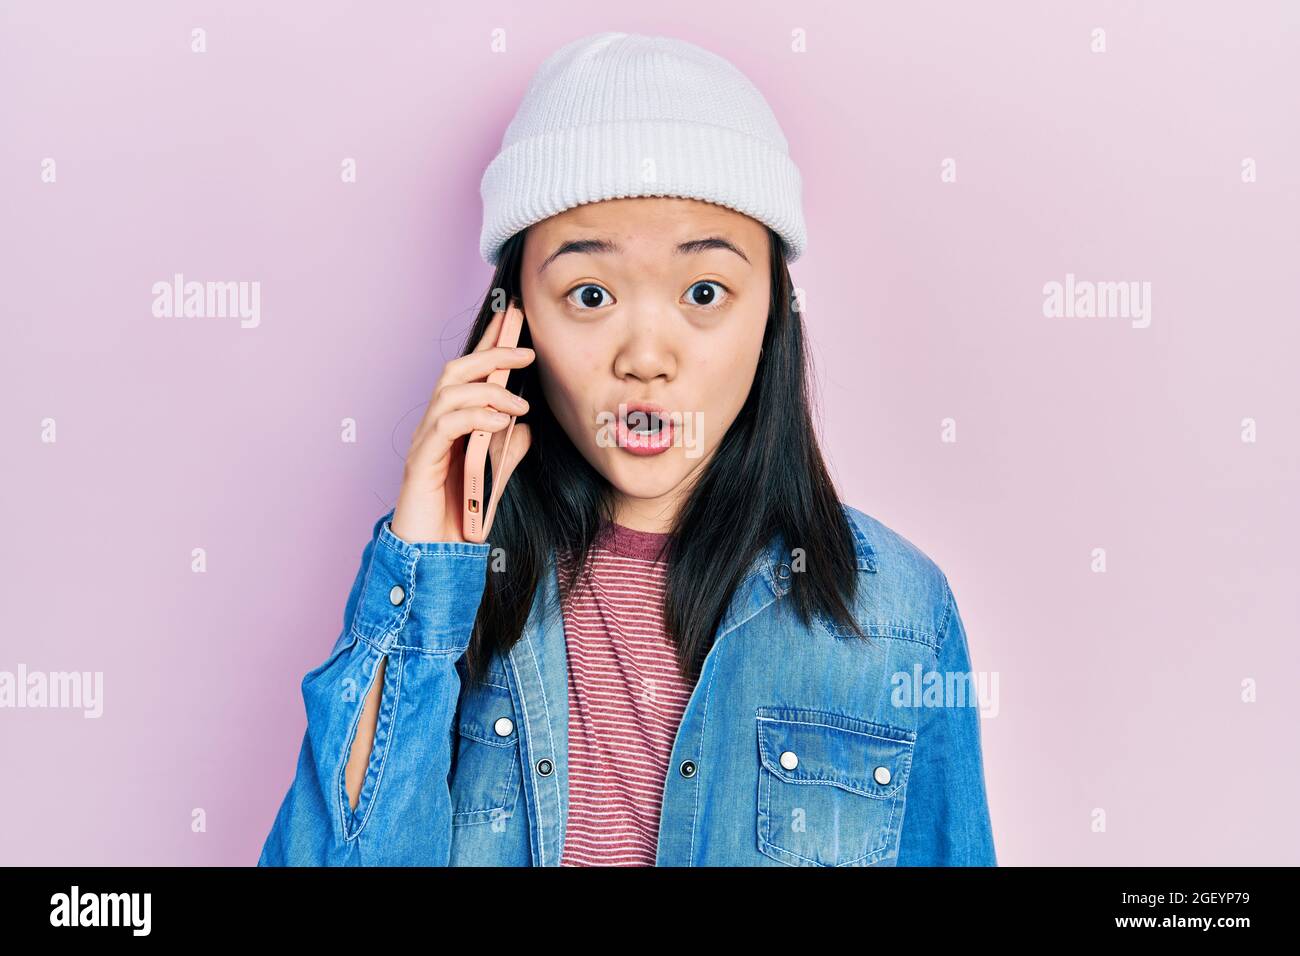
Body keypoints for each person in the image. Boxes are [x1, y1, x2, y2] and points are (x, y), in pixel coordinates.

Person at [258, 30, 996, 867]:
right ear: (515, 319)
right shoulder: (451, 597)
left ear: (772, 318)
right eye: (591, 293)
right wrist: (424, 566)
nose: (646, 355)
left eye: (705, 291)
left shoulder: (900, 614)